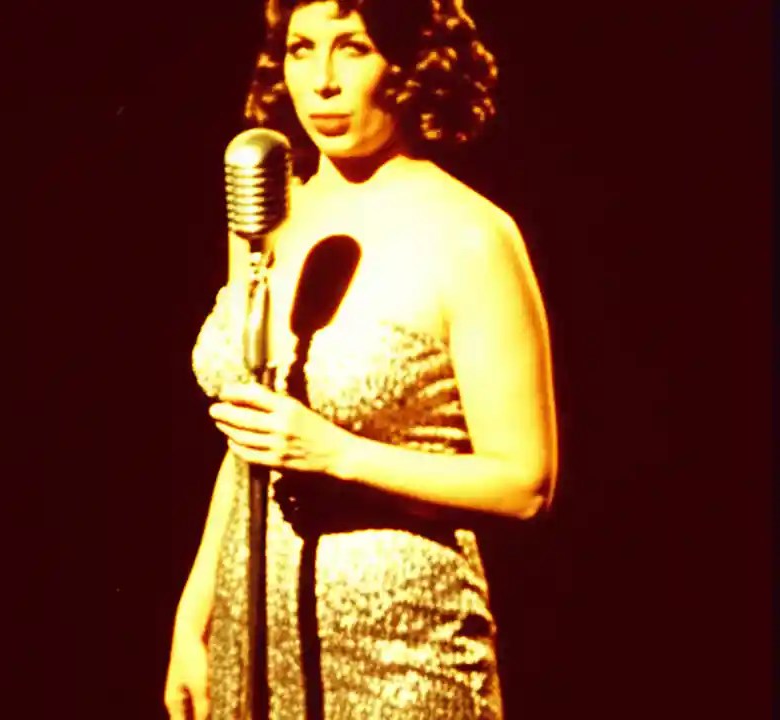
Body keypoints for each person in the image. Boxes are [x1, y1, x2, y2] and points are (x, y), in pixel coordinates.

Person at [166, 1, 558, 718]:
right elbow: (249, 442)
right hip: (253, 627)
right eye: (300, 49)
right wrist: (194, 619)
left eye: (352, 48)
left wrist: (336, 453)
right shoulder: (267, 216)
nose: (320, 80)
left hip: (402, 649)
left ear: (408, 66)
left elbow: (524, 483)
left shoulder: (471, 237)